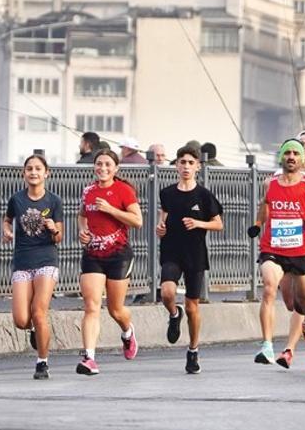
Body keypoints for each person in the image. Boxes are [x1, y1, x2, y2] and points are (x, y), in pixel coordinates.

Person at [248, 138, 305, 369]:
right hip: (272, 247)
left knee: (304, 300)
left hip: (299, 249)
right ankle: (267, 346)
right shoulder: (269, 183)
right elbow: (265, 206)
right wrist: (257, 223)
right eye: (287, 153)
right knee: (269, 289)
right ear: (281, 157)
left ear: (302, 159)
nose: (291, 157)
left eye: (296, 153)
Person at [156, 140, 223, 374]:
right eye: (182, 162)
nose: (186, 166)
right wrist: (160, 228)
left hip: (194, 254)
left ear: (198, 167)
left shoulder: (204, 195)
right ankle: (174, 315)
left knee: (193, 307)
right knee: (167, 292)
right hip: (171, 251)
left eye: (190, 163)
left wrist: (198, 223)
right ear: (176, 166)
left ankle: (193, 350)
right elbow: (161, 220)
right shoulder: (167, 193)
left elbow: (218, 224)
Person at [76, 143, 143, 375]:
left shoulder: (124, 190)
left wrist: (111, 210)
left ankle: (127, 332)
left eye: (107, 164)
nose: (102, 168)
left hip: (118, 254)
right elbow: (82, 215)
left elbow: (137, 221)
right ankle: (89, 358)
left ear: (115, 168)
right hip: (93, 254)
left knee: (116, 309)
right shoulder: (88, 191)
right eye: (99, 164)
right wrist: (83, 232)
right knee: (91, 306)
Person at [2, 153, 63, 379]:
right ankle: (37, 330)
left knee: (39, 311)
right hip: (22, 261)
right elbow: (7, 219)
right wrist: (7, 231)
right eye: (29, 169)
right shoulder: (17, 199)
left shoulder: (53, 201)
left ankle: (42, 362)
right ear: (23, 173)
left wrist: (52, 229)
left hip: (46, 260)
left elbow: (59, 238)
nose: (34, 172)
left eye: (38, 168)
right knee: (21, 320)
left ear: (47, 173)